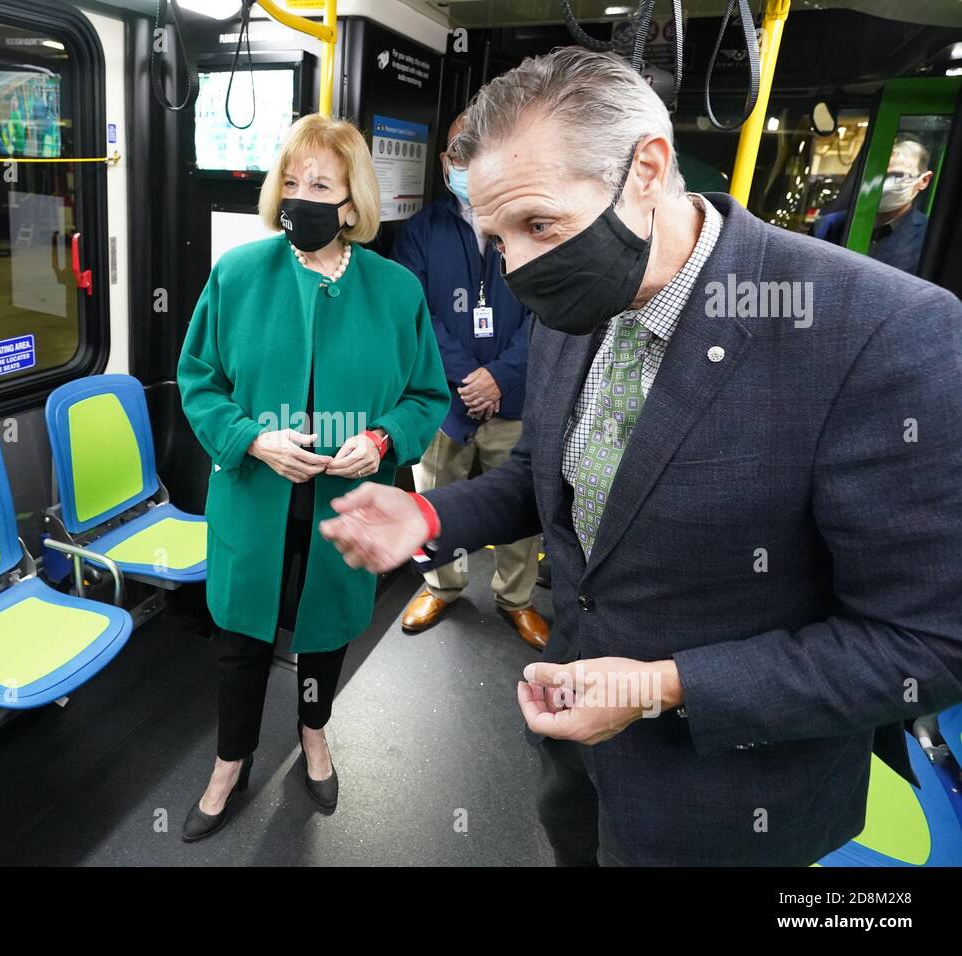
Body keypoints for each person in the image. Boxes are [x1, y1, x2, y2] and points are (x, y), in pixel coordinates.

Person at [319, 47, 962, 866]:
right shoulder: (572, 298)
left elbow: (927, 644)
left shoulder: (874, 333)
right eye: (496, 238)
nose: (516, 267)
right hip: (572, 744)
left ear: (647, 170)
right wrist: (429, 511)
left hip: (728, 799)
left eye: (539, 225)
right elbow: (551, 473)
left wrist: (661, 688)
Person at [176, 113, 449, 842]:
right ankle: (230, 760)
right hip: (255, 494)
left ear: (353, 204)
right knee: (238, 634)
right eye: (290, 182)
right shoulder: (239, 274)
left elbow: (426, 395)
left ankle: (314, 731)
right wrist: (251, 440)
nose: (300, 197)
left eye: (320, 185)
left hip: (345, 501)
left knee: (325, 629)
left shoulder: (396, 293)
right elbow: (197, 379)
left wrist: (383, 439)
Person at [391, 112, 545, 649]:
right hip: (442, 402)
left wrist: (499, 377)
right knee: (436, 498)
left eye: (478, 152)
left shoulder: (532, 226)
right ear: (444, 162)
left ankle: (517, 598)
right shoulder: (420, 232)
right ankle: (443, 586)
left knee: (521, 509)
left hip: (516, 396)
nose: (466, 163)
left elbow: (545, 314)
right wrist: (467, 378)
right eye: (459, 152)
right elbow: (416, 315)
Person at [814, 136, 933, 274]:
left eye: (897, 175)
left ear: (923, 180)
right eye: (878, 175)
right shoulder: (827, 226)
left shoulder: (929, 237)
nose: (885, 184)